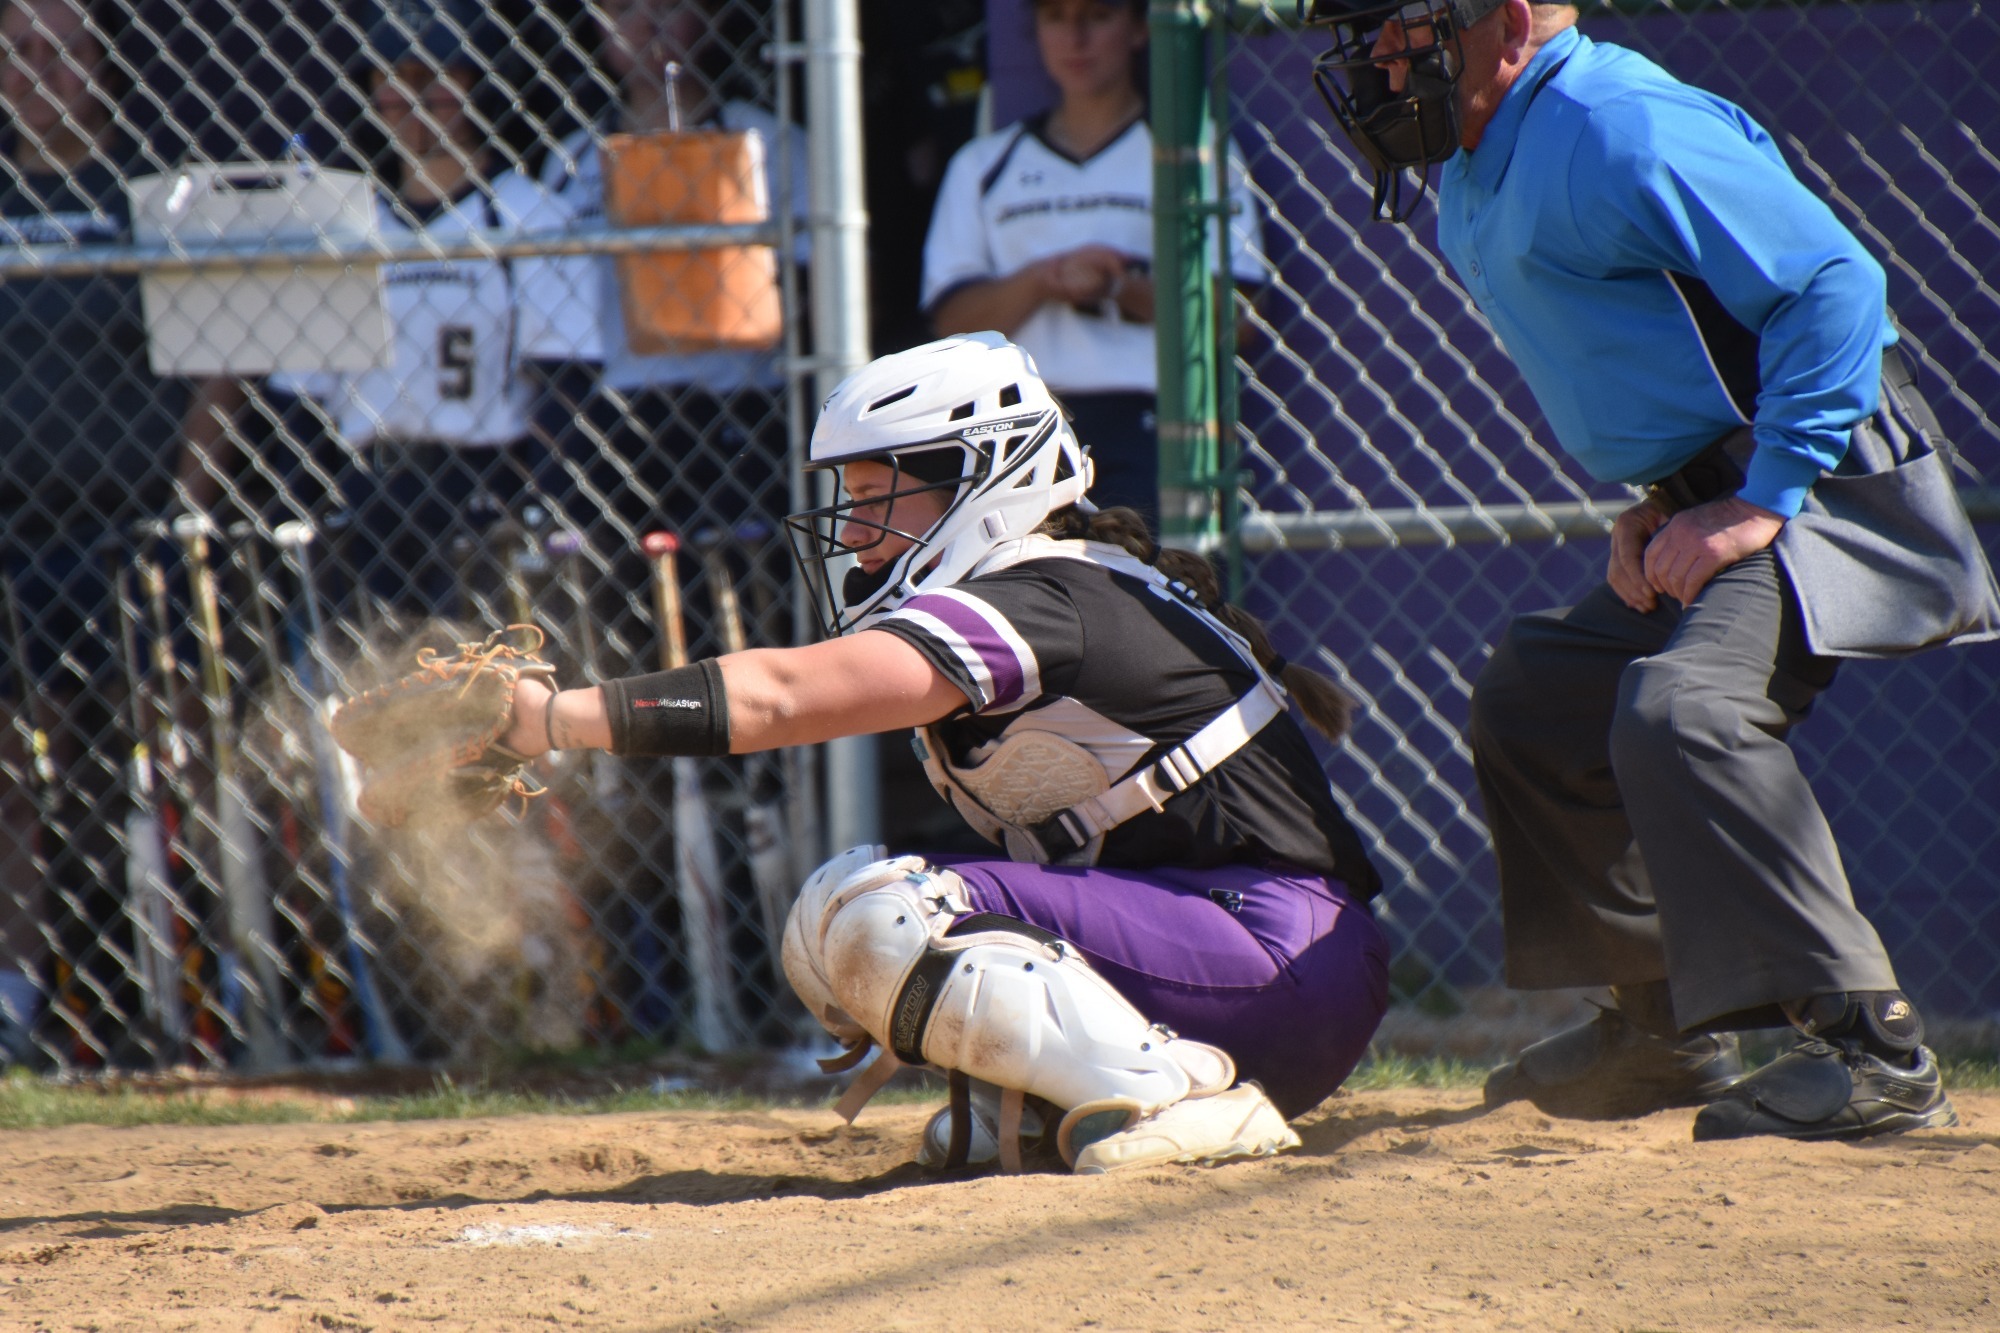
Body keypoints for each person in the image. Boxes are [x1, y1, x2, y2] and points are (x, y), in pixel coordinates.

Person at [1305, 0, 2000, 1140]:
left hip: (1823, 476)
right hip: (1719, 482)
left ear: (1510, 24)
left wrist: (1759, 496)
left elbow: (1833, 286)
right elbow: (1660, 346)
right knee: (1541, 695)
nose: (1380, 57)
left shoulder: (1609, 122)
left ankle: (1870, 1046)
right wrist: (1659, 497)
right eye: (1372, 33)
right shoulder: (1482, 157)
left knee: (1684, 711)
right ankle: (1666, 1029)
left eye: (1405, 26)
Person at [486, 332, 1390, 1171]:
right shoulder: (1051, 587)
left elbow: (781, 697)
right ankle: (1074, 1095)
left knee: (884, 910)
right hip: (1237, 962)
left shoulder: (1047, 596)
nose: (852, 530)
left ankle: (1169, 1095)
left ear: (985, 477)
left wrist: (546, 717)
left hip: (1282, 959)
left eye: (878, 496)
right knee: (825, 922)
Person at [0, 0, 224, 1067]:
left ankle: (169, 988)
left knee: (141, 758)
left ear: (101, 63)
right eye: (23, 51)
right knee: (13, 768)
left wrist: (186, 498)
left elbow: (215, 361)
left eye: (66, 50)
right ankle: (22, 991)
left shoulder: (147, 192)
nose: (44, 70)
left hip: (129, 525)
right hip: (15, 524)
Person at [516, 0, 808, 668]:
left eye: (667, 5)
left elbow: (824, 286)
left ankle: (766, 768)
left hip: (743, 407)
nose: (646, 25)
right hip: (623, 415)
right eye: (621, 8)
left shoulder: (766, 143)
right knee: (633, 607)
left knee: (744, 600)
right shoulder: (571, 161)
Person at [272, 0, 563, 629]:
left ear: (476, 83)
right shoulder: (348, 220)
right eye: (394, 78)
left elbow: (562, 382)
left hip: (485, 487)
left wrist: (542, 495)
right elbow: (300, 395)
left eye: (439, 75)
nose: (415, 96)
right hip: (370, 486)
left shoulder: (522, 212)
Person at [921, 0, 1266, 524]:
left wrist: (1116, 287)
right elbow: (951, 322)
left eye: (1098, 15)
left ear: (1135, 29)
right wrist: (1045, 280)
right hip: (1018, 425)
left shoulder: (1195, 151)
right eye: (1056, 18)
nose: (1075, 38)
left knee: (1154, 594)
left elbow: (1237, 319)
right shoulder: (983, 165)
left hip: (1158, 424)